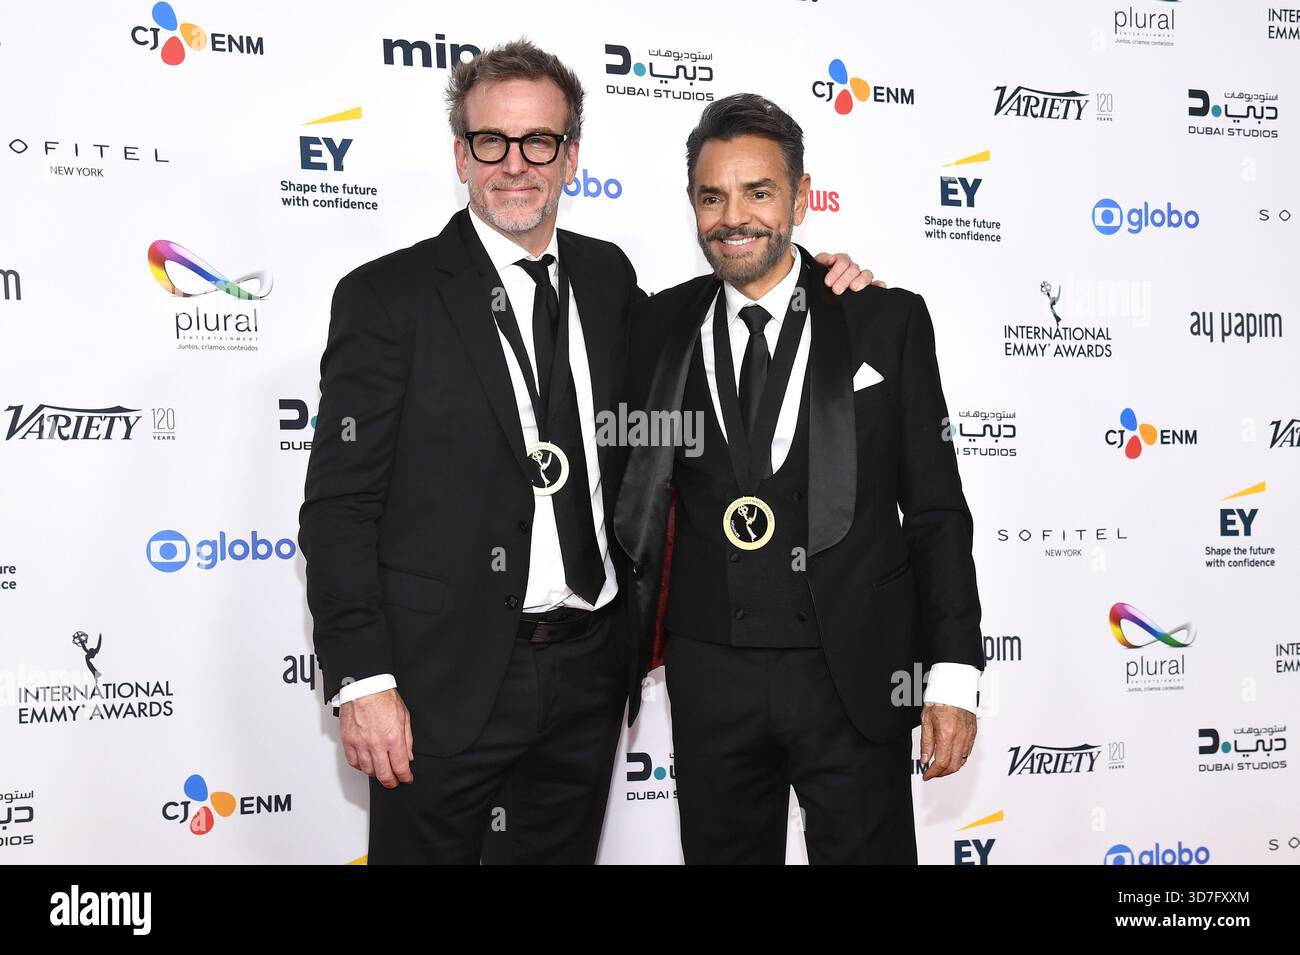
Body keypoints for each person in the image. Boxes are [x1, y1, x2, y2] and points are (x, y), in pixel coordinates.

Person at [297, 42, 872, 864]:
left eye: (541, 141)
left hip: (589, 677)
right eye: (492, 141)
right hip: (438, 685)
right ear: (461, 153)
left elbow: (736, 314)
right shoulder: (387, 298)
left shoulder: (608, 282)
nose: (516, 164)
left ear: (572, 155)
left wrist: (823, 280)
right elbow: (338, 507)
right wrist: (363, 679)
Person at [614, 94, 984, 864]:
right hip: (711, 675)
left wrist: (952, 671)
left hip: (852, 671)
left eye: (759, 191)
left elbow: (936, 507)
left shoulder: (884, 320)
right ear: (692, 204)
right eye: (712, 195)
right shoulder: (658, 325)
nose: (733, 216)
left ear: (801, 197)